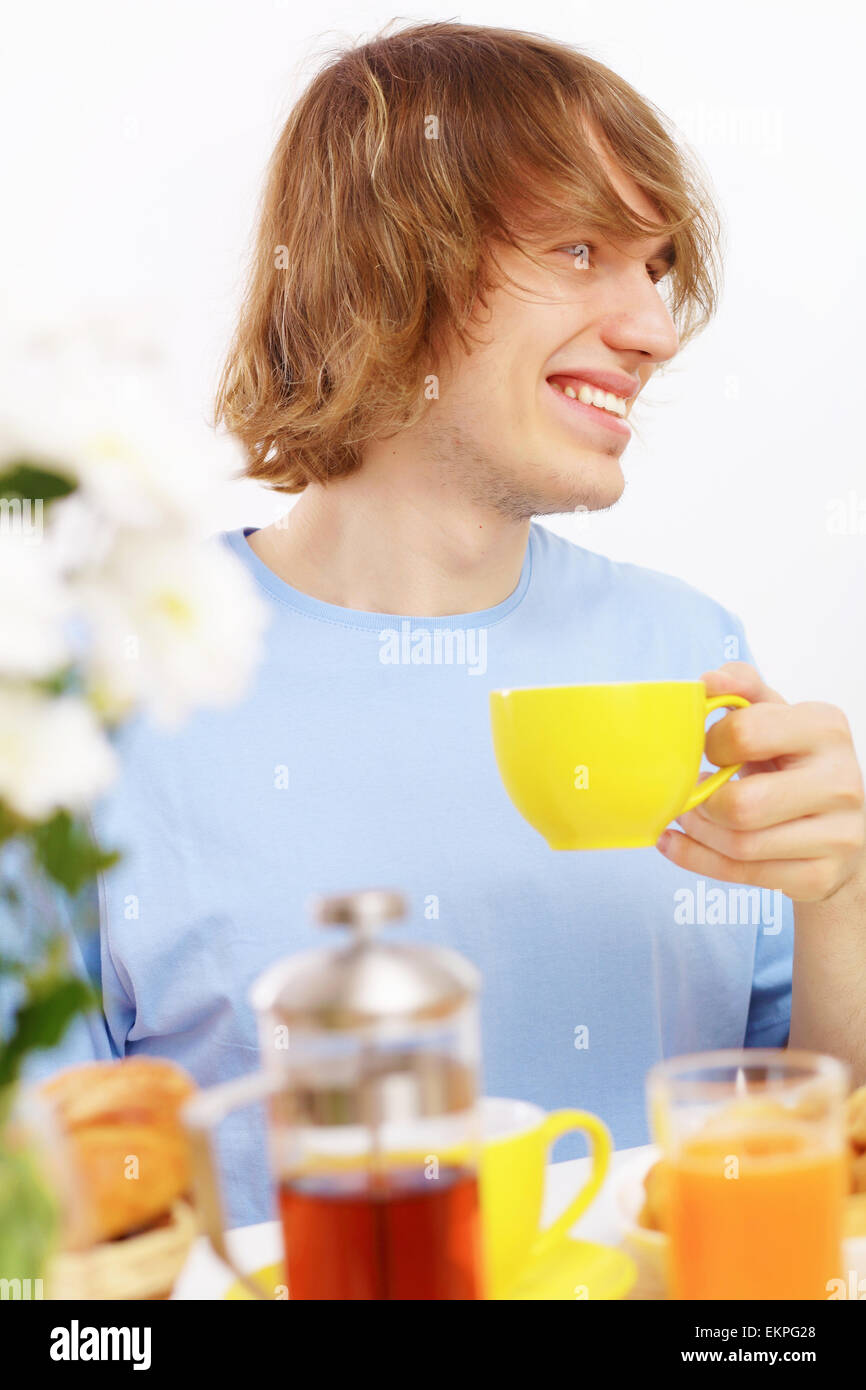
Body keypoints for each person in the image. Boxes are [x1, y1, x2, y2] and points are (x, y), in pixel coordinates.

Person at [27, 21, 866, 1228]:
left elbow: (818, 1159)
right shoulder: (96, 691)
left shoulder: (689, 656)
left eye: (655, 266)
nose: (652, 331)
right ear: (383, 268)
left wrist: (837, 902)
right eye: (581, 248)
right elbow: (49, 1235)